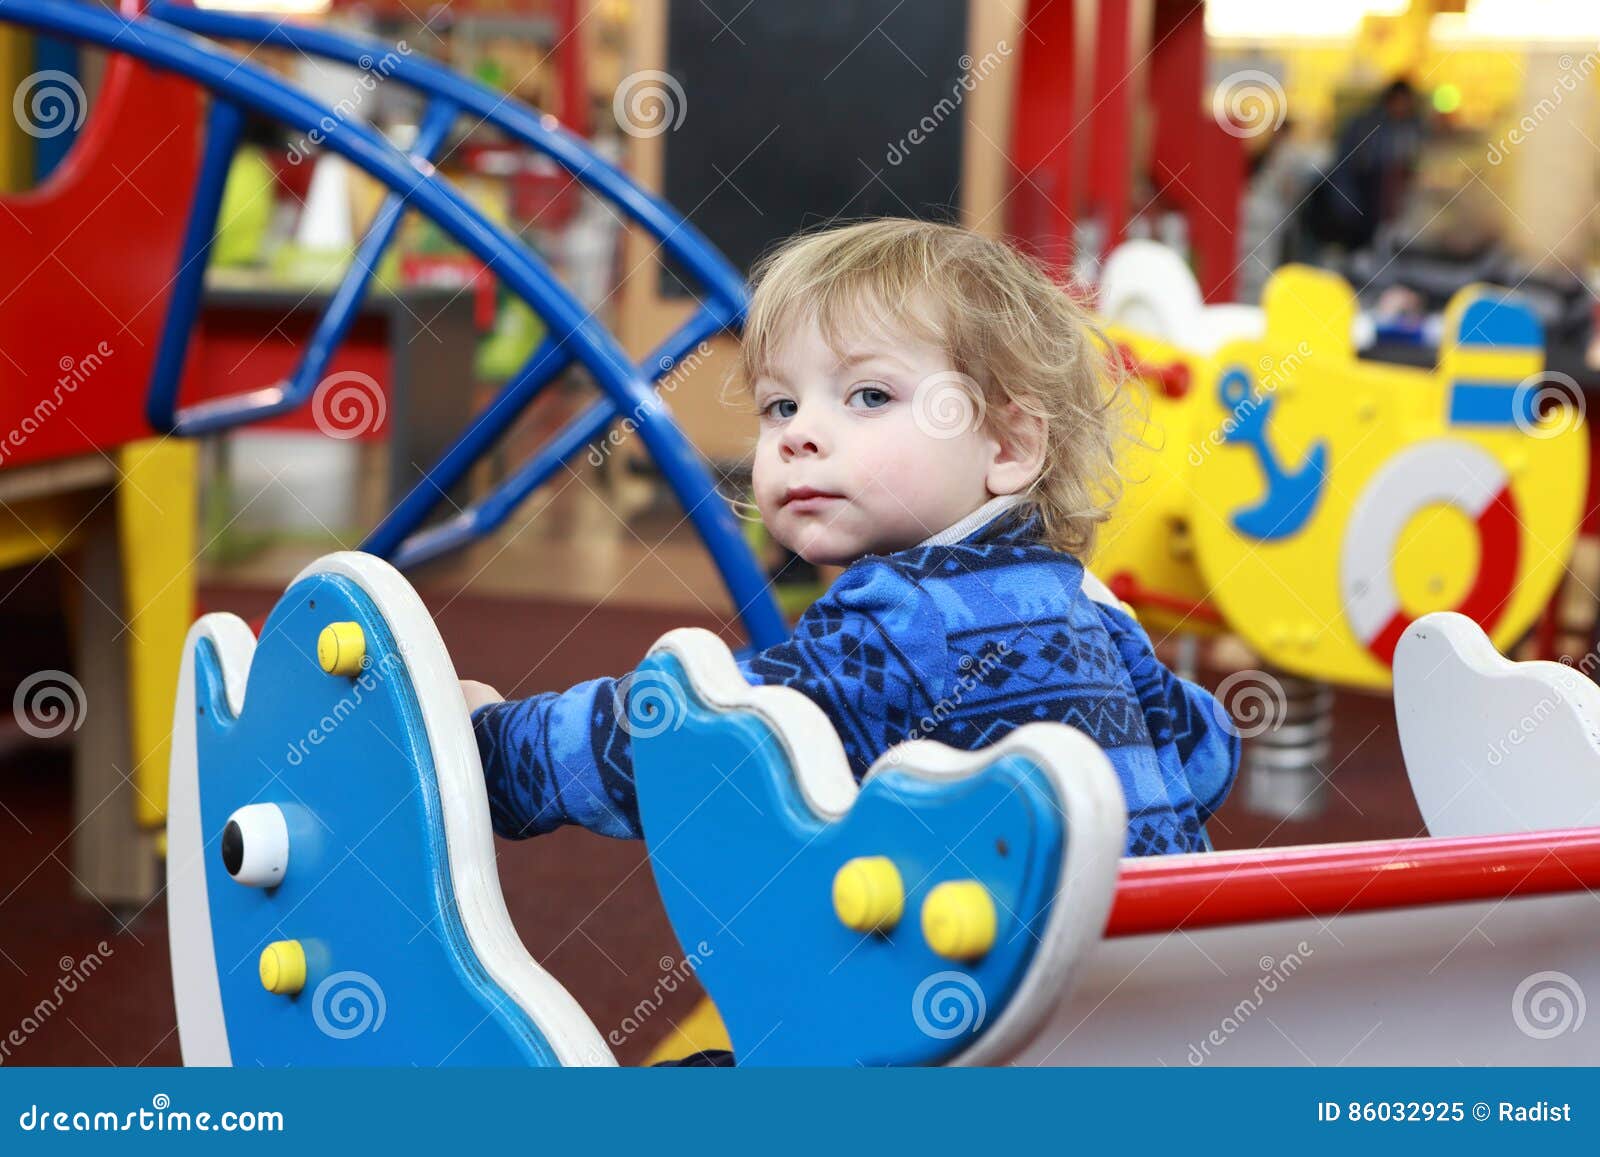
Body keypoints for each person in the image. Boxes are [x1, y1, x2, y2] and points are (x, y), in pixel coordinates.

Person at [460, 218, 1240, 859]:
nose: (802, 435)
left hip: (1000, 1030)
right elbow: (1207, 753)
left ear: (1007, 446)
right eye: (780, 406)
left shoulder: (909, 621)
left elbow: (705, 734)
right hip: (1137, 1005)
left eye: (868, 395)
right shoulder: (1090, 609)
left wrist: (498, 751)